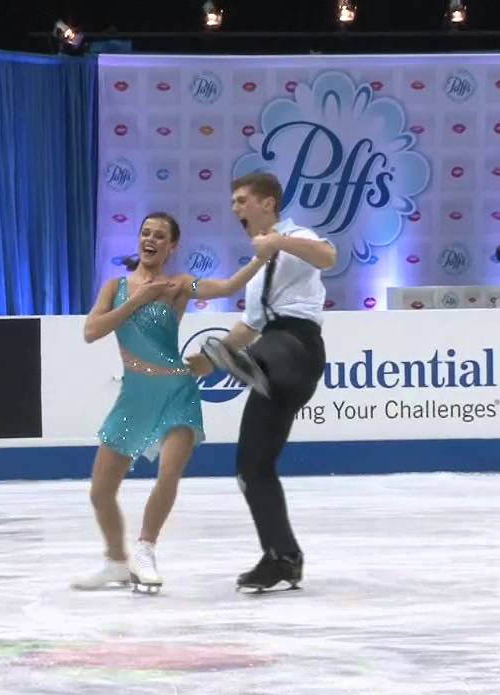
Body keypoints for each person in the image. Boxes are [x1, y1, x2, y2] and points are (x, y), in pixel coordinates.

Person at [72, 211, 266, 592]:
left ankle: (146, 549)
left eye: (160, 236)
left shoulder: (178, 285)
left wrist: (261, 258)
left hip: (177, 391)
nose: (151, 239)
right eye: (146, 233)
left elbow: (228, 287)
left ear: (172, 246)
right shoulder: (115, 287)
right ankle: (115, 562)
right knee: (100, 491)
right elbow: (91, 331)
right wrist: (137, 300)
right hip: (135, 396)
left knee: (169, 472)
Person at [186, 172, 336, 593]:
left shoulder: (297, 237)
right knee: (251, 468)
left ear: (267, 203)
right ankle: (282, 557)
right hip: (275, 354)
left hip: (296, 346)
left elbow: (328, 256)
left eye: (241, 200)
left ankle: (251, 364)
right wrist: (206, 362)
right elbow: (249, 326)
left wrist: (278, 243)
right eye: (234, 202)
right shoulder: (256, 275)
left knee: (270, 347)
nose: (235, 208)